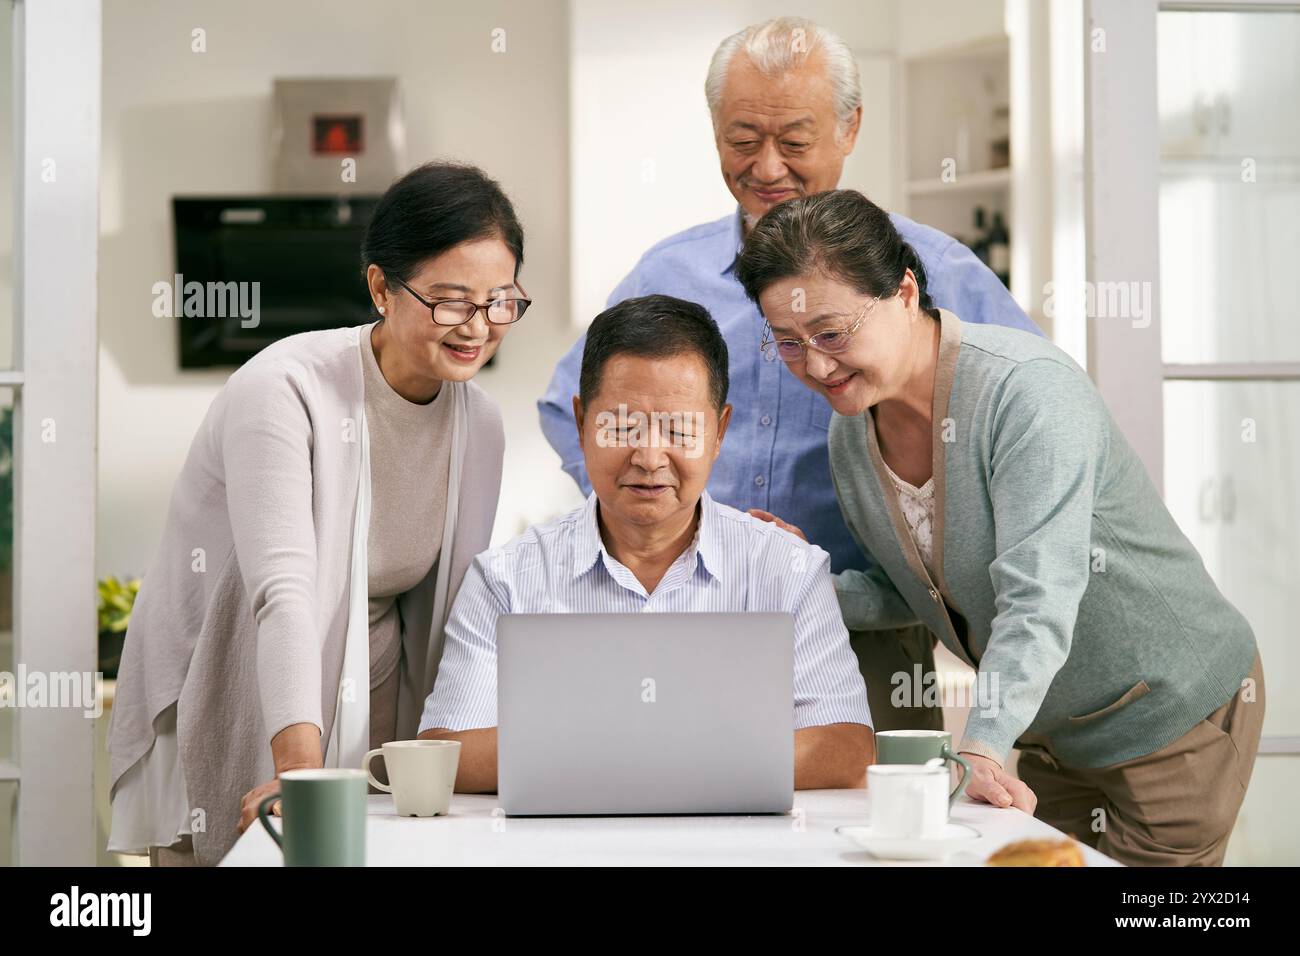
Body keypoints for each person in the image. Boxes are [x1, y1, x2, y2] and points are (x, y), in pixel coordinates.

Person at [539, 16, 1040, 734]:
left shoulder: (937, 274)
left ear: (850, 128)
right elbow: (568, 406)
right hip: (687, 622)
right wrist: (651, 516)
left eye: (795, 142)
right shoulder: (667, 273)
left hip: (864, 636)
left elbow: (1032, 427)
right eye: (742, 140)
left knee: (870, 833)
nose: (767, 167)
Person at [735, 188, 1264, 866]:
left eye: (832, 334)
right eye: (788, 343)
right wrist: (803, 575)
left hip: (1171, 717)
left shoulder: (1025, 391)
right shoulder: (850, 437)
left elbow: (1036, 596)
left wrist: (980, 743)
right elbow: (919, 595)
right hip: (1055, 734)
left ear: (901, 292)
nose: (815, 365)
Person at [107, 162, 525, 865]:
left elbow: (453, 612)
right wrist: (298, 771)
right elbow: (284, 593)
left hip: (373, 693)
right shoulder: (286, 387)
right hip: (235, 671)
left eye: (500, 302)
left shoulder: (479, 423)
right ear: (381, 288)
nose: (476, 327)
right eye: (451, 301)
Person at [420, 294, 874, 789]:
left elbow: (845, 747)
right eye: (623, 426)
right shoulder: (506, 580)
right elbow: (448, 753)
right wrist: (683, 753)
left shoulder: (788, 570)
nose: (649, 456)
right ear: (581, 423)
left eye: (679, 429)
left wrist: (610, 754)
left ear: (719, 432)